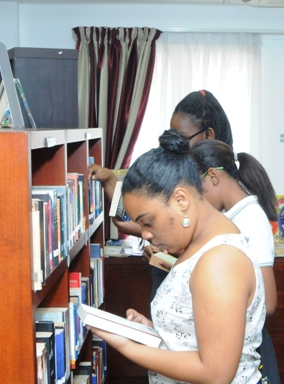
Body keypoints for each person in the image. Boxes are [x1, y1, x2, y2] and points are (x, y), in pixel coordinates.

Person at [89, 130, 269, 384]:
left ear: (182, 200)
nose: (145, 234)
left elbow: (216, 372)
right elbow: (198, 327)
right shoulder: (199, 244)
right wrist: (155, 333)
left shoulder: (219, 262)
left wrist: (129, 346)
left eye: (147, 221)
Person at [190, 139, 284, 384]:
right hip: (233, 343)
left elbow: (270, 301)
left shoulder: (250, 219)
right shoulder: (231, 215)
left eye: (199, 188)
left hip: (249, 351)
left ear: (214, 177)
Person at [88, 89, 235, 294]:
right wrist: (111, 182)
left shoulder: (215, 185)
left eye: (182, 138)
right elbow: (125, 221)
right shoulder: (179, 176)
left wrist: (176, 257)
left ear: (209, 135)